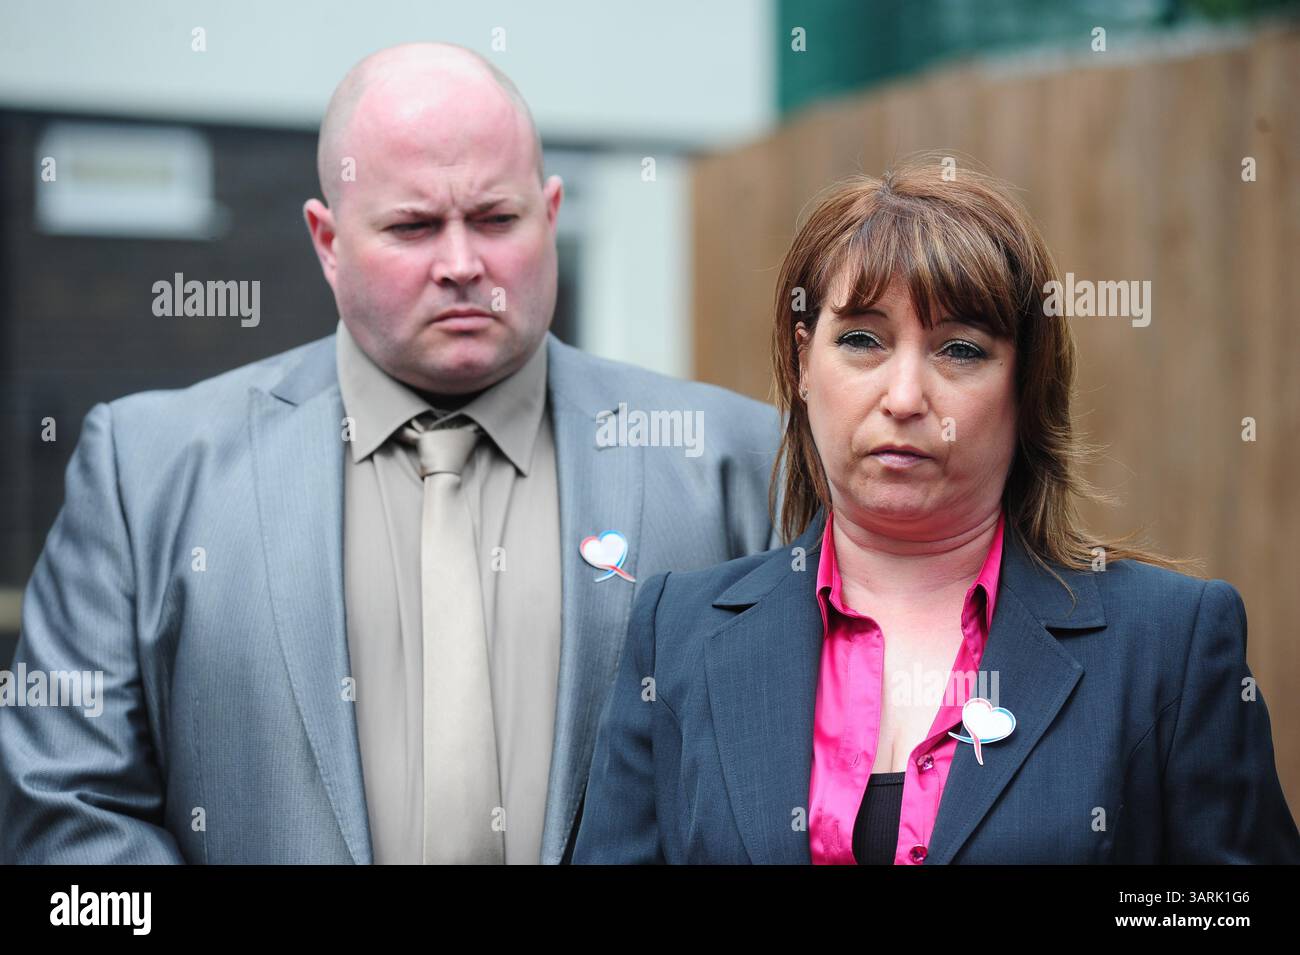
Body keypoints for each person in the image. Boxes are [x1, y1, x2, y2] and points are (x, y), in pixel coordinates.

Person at [0, 42, 781, 864]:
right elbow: (64, 811)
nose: (461, 264)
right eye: (412, 226)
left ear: (551, 215)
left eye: (495, 219)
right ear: (327, 240)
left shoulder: (729, 463)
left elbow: (790, 792)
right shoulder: (146, 473)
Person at [572, 152, 1300, 864]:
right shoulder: (676, 637)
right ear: (801, 364)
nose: (904, 397)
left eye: (960, 350)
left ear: (1025, 387)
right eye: (862, 341)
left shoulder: (1168, 644)